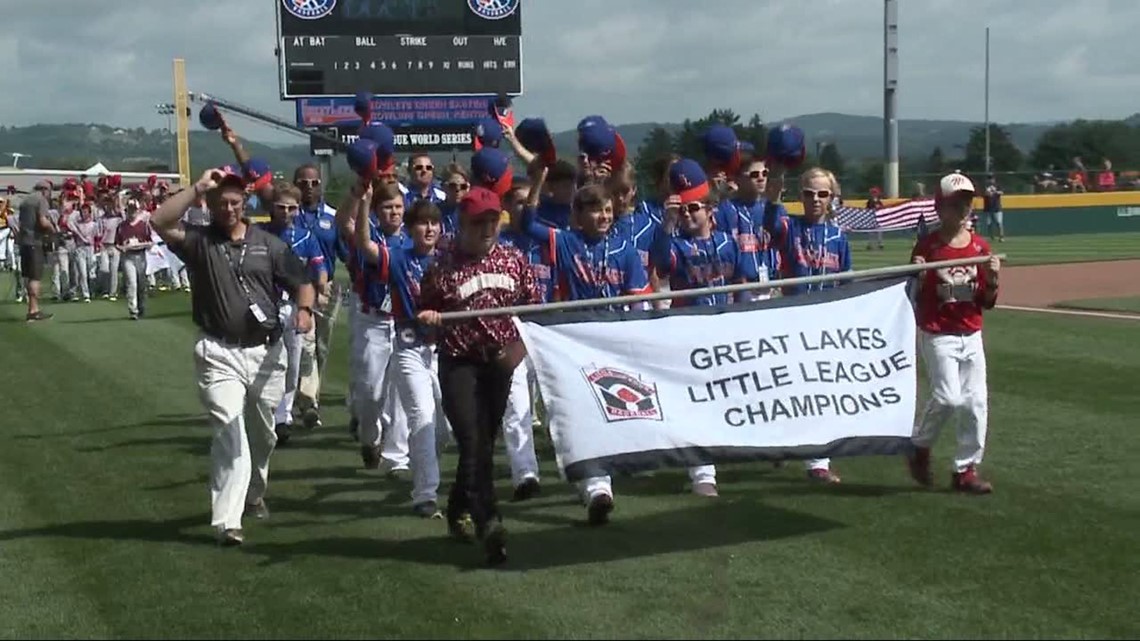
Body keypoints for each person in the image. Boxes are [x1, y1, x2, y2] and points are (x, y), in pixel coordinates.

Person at [151, 167, 315, 546]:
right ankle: (228, 520)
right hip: (218, 351)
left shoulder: (268, 244)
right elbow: (160, 220)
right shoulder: (199, 241)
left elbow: (301, 281)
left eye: (235, 202)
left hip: (266, 352)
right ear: (210, 206)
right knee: (230, 431)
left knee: (263, 436)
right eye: (221, 202)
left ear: (246, 204)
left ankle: (254, 491)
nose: (229, 209)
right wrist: (197, 187)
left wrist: (304, 311)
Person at [519, 160, 651, 525]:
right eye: (595, 211)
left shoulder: (624, 250)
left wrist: (633, 333)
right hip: (571, 338)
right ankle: (596, 487)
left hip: (610, 338)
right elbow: (526, 224)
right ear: (577, 216)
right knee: (578, 410)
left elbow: (637, 297)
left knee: (606, 411)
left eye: (608, 210)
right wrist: (539, 183)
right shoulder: (564, 241)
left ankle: (595, 483)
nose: (604, 217)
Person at [417, 185, 541, 566]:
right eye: (479, 222)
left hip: (499, 363)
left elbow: (533, 313)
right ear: (463, 223)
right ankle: (491, 522)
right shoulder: (442, 265)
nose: (487, 229)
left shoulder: (514, 260)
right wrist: (430, 320)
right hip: (458, 362)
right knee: (472, 439)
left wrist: (515, 354)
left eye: (493, 221)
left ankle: (458, 507)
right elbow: (423, 322)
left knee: (484, 442)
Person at [651, 158, 760, 498]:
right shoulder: (678, 244)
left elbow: (744, 282)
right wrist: (667, 222)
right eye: (682, 209)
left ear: (710, 209)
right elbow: (660, 261)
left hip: (725, 329)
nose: (687, 214)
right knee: (696, 402)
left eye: (692, 208)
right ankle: (703, 473)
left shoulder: (729, 240)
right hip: (689, 331)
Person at [355, 189, 446, 517]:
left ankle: (426, 471)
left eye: (435, 223)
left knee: (443, 430)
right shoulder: (398, 256)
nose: (430, 229)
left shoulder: (448, 259)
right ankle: (425, 495)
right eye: (423, 224)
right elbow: (364, 246)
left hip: (445, 350)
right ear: (410, 229)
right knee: (420, 415)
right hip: (409, 348)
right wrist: (365, 202)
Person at [907, 172, 1000, 494]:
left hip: (971, 331)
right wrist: (917, 276)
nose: (961, 209)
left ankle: (966, 469)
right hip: (938, 332)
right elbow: (912, 296)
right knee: (947, 396)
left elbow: (987, 301)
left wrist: (992, 280)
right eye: (954, 202)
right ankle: (919, 446)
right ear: (939, 206)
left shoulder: (979, 246)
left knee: (976, 403)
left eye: (966, 202)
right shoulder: (929, 246)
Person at [762, 167, 851, 484]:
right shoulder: (790, 227)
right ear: (800, 196)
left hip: (825, 323)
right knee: (786, 387)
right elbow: (770, 224)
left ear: (832, 197)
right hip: (791, 319)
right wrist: (773, 197)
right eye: (809, 193)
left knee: (820, 391)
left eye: (822, 194)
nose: (815, 200)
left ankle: (818, 462)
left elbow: (845, 282)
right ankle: (781, 441)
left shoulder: (839, 237)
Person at [259, 182, 328, 445]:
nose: (286, 212)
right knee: (268, 362)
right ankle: (272, 414)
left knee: (293, 364)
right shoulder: (260, 233)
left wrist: (321, 288)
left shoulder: (305, 236)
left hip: (295, 305)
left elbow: (318, 266)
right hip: (266, 304)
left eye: (291, 208)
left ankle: (283, 416)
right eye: (281, 207)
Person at [16, 180, 55, 321]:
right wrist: (53, 230)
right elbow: (42, 221)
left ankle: (31, 307)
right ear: (45, 189)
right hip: (35, 242)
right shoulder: (41, 200)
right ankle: (33, 310)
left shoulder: (25, 201)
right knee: (35, 276)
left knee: (28, 276)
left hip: (24, 242)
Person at [115, 197, 155, 320]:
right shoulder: (122, 226)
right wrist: (122, 248)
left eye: (134, 210)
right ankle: (133, 309)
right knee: (131, 283)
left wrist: (146, 245)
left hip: (140, 255)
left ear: (137, 211)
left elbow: (150, 241)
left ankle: (141, 306)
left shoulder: (143, 225)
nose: (131, 212)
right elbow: (117, 243)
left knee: (141, 283)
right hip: (128, 256)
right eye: (129, 210)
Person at [982, 176, 1005, 242]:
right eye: (989, 179)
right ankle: (992, 236)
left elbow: (1001, 192)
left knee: (999, 223)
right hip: (988, 208)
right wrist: (987, 193)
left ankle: (1001, 236)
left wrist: (995, 191)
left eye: (991, 179)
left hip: (997, 208)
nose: (990, 180)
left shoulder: (998, 186)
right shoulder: (985, 187)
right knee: (989, 223)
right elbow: (983, 194)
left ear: (994, 179)